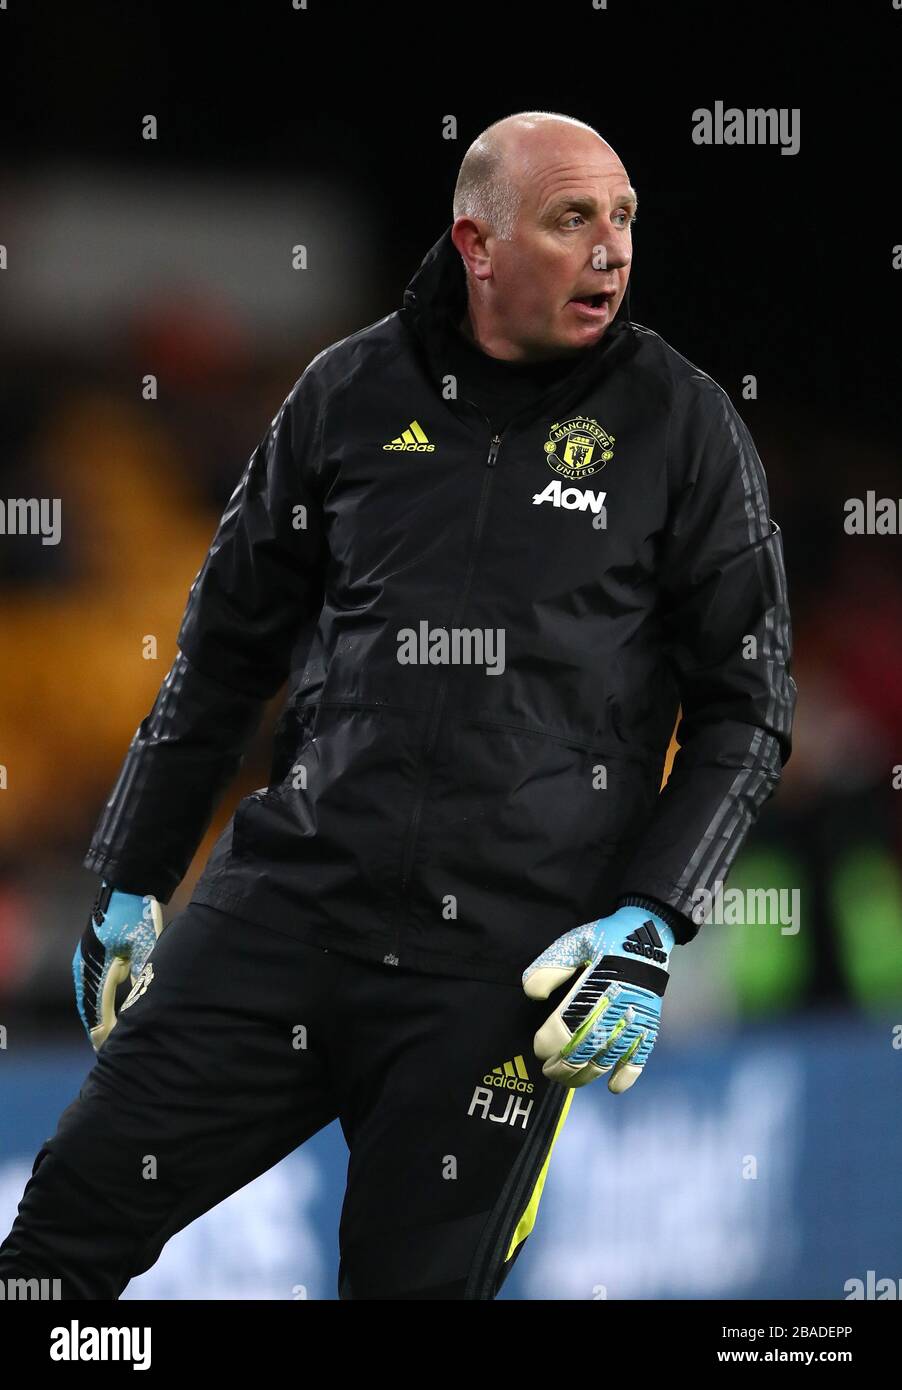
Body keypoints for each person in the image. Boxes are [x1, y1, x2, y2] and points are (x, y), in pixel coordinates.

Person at [0, 110, 796, 1300]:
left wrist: (648, 921)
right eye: (571, 217)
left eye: (623, 218)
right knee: (49, 1258)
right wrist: (133, 871)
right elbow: (222, 655)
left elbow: (748, 706)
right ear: (476, 244)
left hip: (502, 969)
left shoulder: (682, 426)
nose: (611, 250)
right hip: (286, 911)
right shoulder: (346, 393)